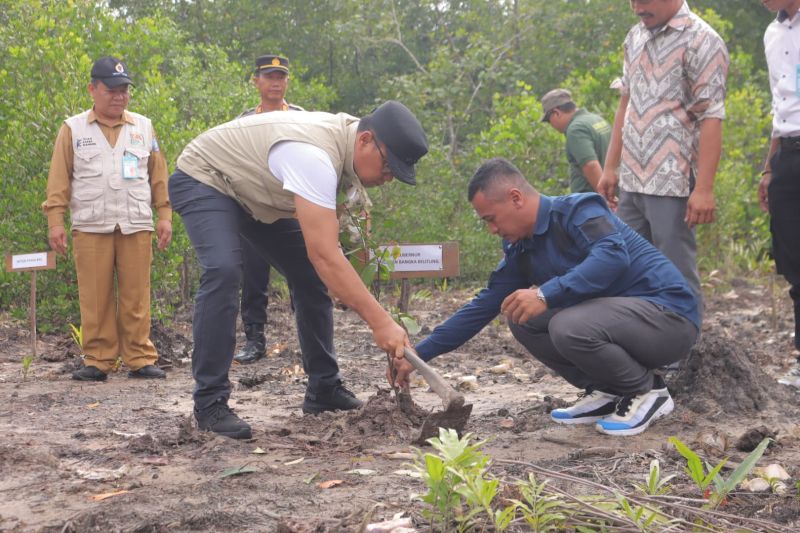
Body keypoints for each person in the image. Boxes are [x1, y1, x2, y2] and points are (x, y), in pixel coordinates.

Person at [168, 101, 428, 439]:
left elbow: (332, 257)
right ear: (365, 140)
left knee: (308, 274)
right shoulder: (313, 156)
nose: (388, 177)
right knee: (225, 270)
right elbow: (326, 254)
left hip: (256, 195)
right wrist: (382, 323)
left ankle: (324, 389)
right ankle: (209, 404)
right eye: (388, 166)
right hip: (206, 178)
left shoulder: (350, 142)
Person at [391, 158, 699, 436]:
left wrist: (546, 293)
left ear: (515, 198)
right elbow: (483, 306)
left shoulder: (580, 210)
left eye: (491, 218)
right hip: (619, 324)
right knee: (522, 317)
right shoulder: (521, 248)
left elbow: (613, 257)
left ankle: (647, 391)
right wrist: (418, 355)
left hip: (669, 319)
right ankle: (609, 391)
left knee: (568, 324)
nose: (492, 229)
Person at [44, 56, 172, 381]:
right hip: (91, 225)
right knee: (95, 296)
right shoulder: (72, 129)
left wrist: (165, 215)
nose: (119, 96)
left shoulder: (144, 127)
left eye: (124, 89)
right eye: (112, 89)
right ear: (92, 89)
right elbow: (59, 178)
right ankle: (98, 360)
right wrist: (55, 221)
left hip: (136, 222)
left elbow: (158, 175)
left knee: (136, 295)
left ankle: (140, 358)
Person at [597, 0, 729, 308]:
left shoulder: (702, 39)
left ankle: (687, 352)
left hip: (673, 181)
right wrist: (610, 167)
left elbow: (712, 115)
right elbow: (625, 102)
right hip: (632, 178)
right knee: (626, 267)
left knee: (675, 273)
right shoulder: (635, 37)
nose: (636, 7)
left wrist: (705, 189)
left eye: (643, 0)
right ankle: (643, 346)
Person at [233, 54, 305, 365]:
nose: (276, 82)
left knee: (303, 273)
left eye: (281, 76)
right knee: (253, 275)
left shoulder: (303, 117)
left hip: (294, 206)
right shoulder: (244, 120)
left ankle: (308, 335)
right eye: (269, 76)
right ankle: (254, 339)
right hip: (257, 207)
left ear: (287, 81)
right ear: (256, 81)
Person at [760, 0, 800, 356]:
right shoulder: (772, 34)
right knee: (793, 259)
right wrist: (770, 167)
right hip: (788, 154)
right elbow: (780, 104)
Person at [540, 88, 611, 193]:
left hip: (593, 202)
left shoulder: (575, 129)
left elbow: (590, 165)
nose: (551, 125)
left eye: (549, 121)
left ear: (556, 113)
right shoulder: (596, 119)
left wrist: (606, 198)